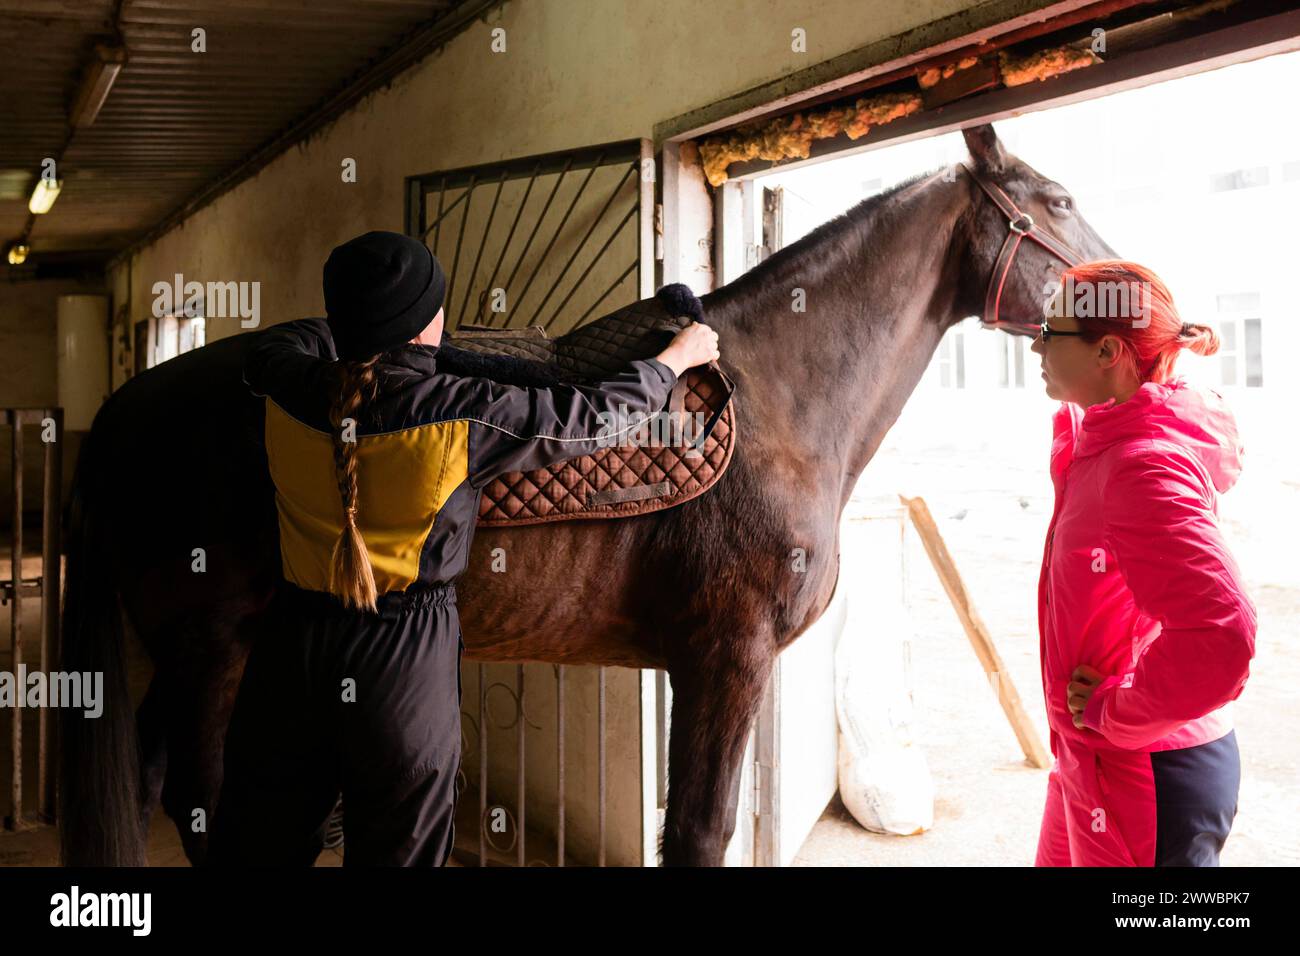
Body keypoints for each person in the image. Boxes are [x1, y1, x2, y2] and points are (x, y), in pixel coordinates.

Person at [207, 230, 719, 866]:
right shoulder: (464, 407)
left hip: (288, 649)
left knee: (255, 846)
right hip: (399, 659)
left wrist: (356, 330)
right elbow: (591, 416)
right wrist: (674, 359)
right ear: (431, 324)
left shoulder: (285, 380)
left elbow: (279, 343)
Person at [1029, 259, 1257, 867]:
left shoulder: (1141, 463)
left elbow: (1220, 634)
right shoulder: (1103, 439)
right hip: (1097, 756)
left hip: (1144, 770)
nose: (1036, 345)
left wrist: (1115, 710)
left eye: (1050, 332)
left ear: (1108, 350)